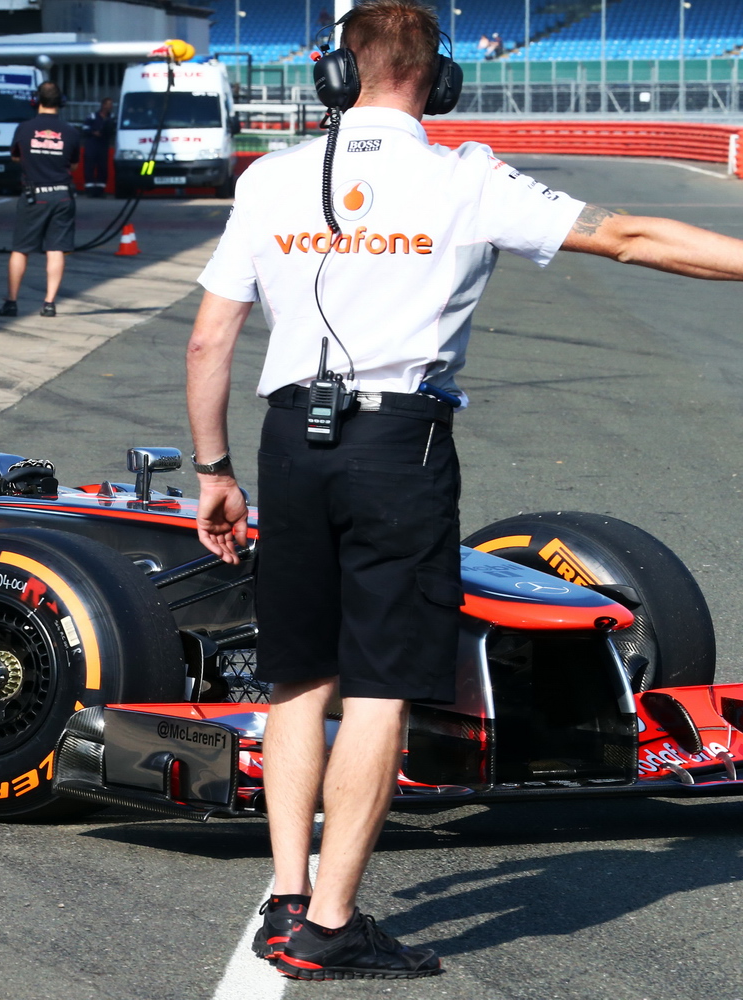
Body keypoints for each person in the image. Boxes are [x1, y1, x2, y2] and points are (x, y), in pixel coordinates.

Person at [187, 0, 743, 981]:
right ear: (439, 82)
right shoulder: (465, 179)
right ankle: (327, 923)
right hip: (396, 444)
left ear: (335, 72)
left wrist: (213, 470)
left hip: (287, 439)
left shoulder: (270, 178)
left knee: (297, 680)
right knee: (380, 688)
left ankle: (285, 893)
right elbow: (629, 237)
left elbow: (209, 340)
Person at [0, 81, 79, 317]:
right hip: (62, 195)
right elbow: (74, 164)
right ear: (61, 102)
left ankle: (11, 301)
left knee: (21, 249)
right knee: (55, 250)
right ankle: (49, 303)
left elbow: (15, 157)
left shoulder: (24, 128)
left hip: (34, 196)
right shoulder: (71, 131)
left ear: (36, 101)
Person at [81, 96, 116, 196]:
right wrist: (93, 132)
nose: (110, 106)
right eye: (108, 104)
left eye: (111, 105)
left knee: (103, 168)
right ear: (103, 105)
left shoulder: (112, 117)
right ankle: (90, 190)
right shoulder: (92, 116)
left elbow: (113, 130)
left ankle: (100, 190)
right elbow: (84, 128)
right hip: (92, 145)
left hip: (103, 146)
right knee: (89, 167)